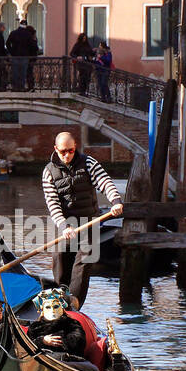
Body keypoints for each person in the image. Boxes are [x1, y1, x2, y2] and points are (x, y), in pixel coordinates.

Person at [41, 131, 123, 308]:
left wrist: (115, 201)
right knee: (61, 263)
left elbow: (105, 182)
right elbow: (52, 203)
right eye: (63, 151)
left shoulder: (88, 163)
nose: (67, 155)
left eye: (70, 151)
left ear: (75, 147)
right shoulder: (48, 172)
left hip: (89, 222)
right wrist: (64, 226)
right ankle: (58, 301)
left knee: (84, 263)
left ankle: (74, 304)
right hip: (63, 224)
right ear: (56, 149)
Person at [26, 288, 93, 369]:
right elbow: (27, 347)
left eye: (56, 306)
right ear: (42, 311)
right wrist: (43, 341)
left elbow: (78, 342)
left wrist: (58, 339)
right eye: (48, 307)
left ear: (62, 309)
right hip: (41, 361)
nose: (53, 310)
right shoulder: (35, 327)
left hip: (68, 362)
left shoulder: (71, 324)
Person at [6, 19, 33, 90]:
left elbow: (7, 43)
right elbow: (32, 45)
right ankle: (21, 87)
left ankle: (15, 87)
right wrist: (29, 53)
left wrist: (11, 52)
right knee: (23, 73)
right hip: (24, 56)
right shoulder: (28, 34)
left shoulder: (13, 33)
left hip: (15, 56)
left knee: (15, 72)